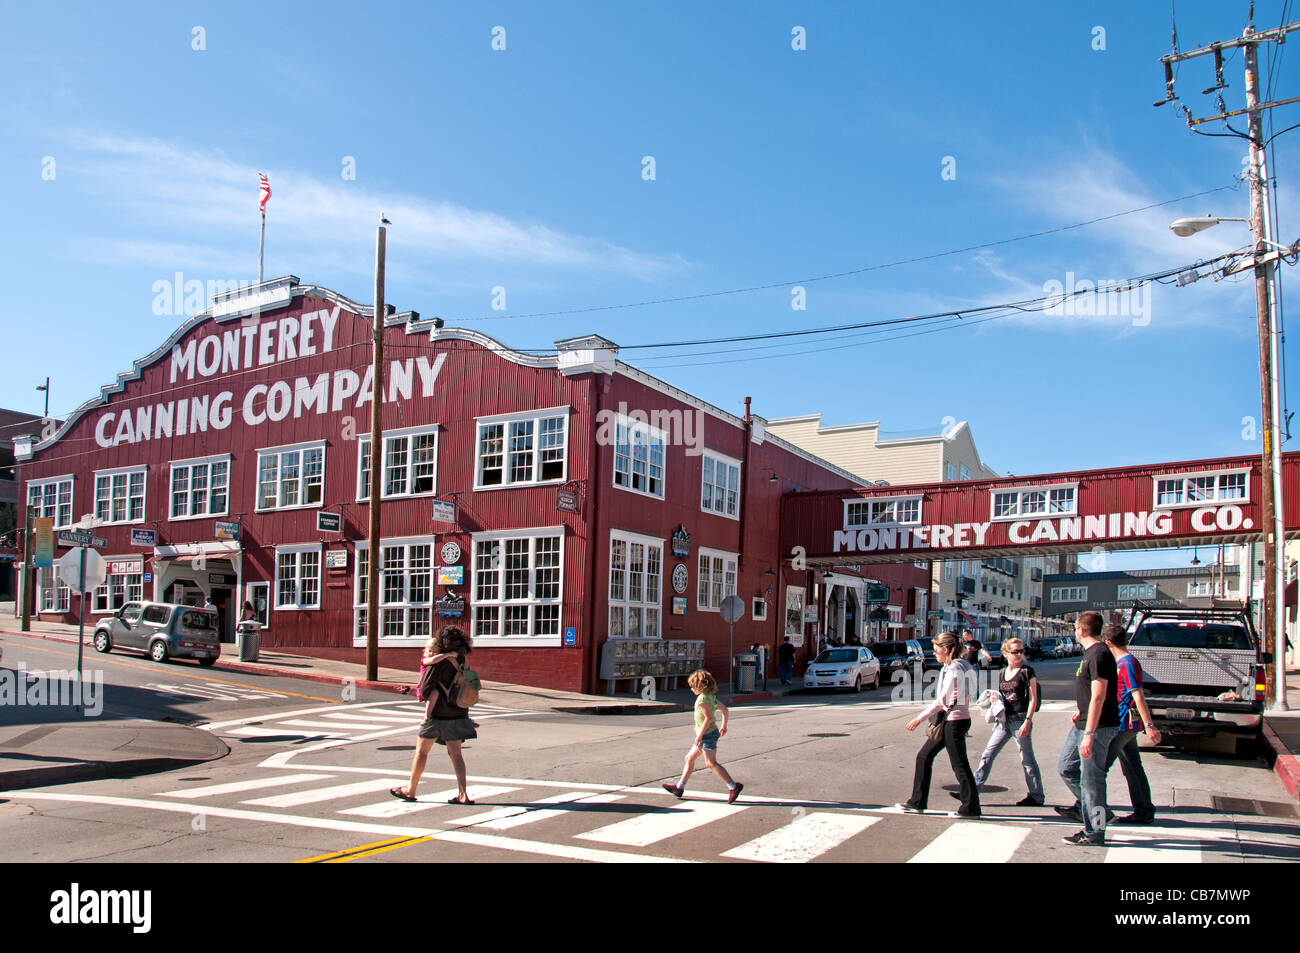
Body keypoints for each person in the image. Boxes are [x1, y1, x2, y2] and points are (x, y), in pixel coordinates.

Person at [391, 625, 478, 805]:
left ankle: (411, 790)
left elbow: (425, 690)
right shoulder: (462, 660)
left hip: (437, 715)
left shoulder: (438, 661)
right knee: (456, 754)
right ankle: (463, 793)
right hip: (459, 711)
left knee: (422, 752)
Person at [897, 631, 980, 817]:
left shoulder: (953, 669)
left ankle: (971, 807)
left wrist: (919, 718)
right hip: (957, 718)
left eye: (936, 650)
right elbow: (972, 690)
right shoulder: (965, 665)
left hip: (953, 721)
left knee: (959, 765)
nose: (934, 653)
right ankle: (917, 802)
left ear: (947, 649)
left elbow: (942, 701)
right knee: (924, 757)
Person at [1056, 611, 1121, 846]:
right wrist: (1081, 711)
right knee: (1066, 768)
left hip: (1097, 727)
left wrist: (1090, 734)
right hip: (1084, 722)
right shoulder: (1090, 654)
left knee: (1092, 781)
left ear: (1081, 630)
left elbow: (1099, 696)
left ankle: (1095, 831)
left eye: (1075, 628)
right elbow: (1088, 695)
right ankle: (1101, 812)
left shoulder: (1099, 654)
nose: (1074, 631)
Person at [969, 637, 1044, 806]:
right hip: (1003, 722)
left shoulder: (1027, 672)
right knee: (988, 754)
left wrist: (1028, 720)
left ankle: (1036, 795)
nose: (1019, 654)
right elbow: (1002, 697)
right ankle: (972, 791)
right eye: (1015, 651)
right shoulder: (1002, 673)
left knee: (1027, 758)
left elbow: (1033, 699)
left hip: (1019, 720)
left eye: (1021, 651)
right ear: (1005, 653)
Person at [1103, 625, 1162, 824]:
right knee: (1133, 768)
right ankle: (1144, 809)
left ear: (1108, 642)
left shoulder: (1127, 663)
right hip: (1125, 724)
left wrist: (1149, 724)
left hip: (1122, 724)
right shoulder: (1122, 662)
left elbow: (1138, 695)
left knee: (1099, 768)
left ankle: (1094, 811)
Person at [663, 669, 743, 803]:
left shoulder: (702, 699)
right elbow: (725, 710)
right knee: (689, 758)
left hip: (706, 735)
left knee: (711, 763)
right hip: (710, 733)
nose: (691, 689)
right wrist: (724, 725)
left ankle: (733, 786)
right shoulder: (711, 696)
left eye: (693, 686)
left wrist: (699, 736)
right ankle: (679, 787)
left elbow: (708, 718)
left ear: (700, 686)